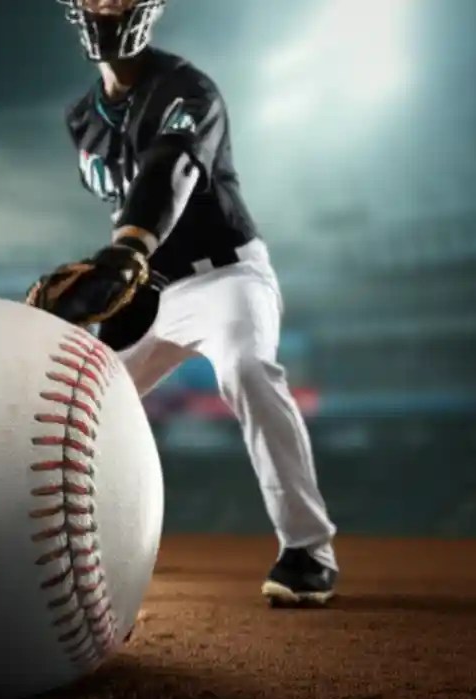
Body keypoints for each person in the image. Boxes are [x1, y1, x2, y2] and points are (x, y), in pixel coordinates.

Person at [34, 0, 339, 606]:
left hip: (225, 276)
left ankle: (308, 547)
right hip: (148, 285)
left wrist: (126, 250)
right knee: (73, 405)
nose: (107, 7)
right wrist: (122, 268)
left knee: (248, 369)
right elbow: (125, 200)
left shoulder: (188, 89)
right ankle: (66, 543)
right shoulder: (80, 118)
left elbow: (167, 173)